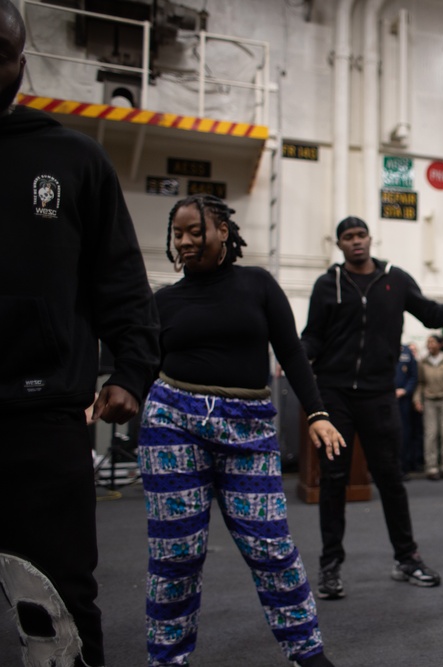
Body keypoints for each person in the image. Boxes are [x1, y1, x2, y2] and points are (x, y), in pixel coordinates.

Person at [0, 3, 160, 664]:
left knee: (58, 600)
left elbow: (120, 283)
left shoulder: (73, 160)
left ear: (21, 64)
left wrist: (130, 372)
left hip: (42, 419)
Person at [138, 195, 342, 667]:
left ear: (224, 231)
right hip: (173, 423)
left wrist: (317, 412)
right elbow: (142, 361)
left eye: (196, 231)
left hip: (248, 428)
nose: (186, 242)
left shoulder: (259, 285)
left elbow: (291, 353)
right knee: (176, 556)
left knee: (271, 546)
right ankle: (167, 658)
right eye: (179, 234)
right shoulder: (163, 300)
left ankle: (307, 653)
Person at [300, 216, 443, 598]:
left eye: (360, 235)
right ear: (339, 245)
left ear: (370, 239)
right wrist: (296, 362)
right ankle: (330, 566)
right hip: (334, 393)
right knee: (334, 480)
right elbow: (312, 338)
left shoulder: (394, 279)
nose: (355, 242)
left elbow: (430, 313)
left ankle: (407, 558)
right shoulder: (327, 284)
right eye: (347, 238)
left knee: (390, 479)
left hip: (379, 395)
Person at [414, 334, 443, 480]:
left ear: (440, 344)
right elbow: (420, 382)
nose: (430, 345)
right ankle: (431, 467)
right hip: (429, 401)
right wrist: (417, 399)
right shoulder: (423, 361)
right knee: (430, 435)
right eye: (428, 342)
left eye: (433, 342)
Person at [395, 343, 421, 476]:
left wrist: (405, 390)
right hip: (385, 399)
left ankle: (403, 467)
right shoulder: (382, 347)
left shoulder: (406, 351)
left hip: (403, 400)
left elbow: (413, 376)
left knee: (404, 432)